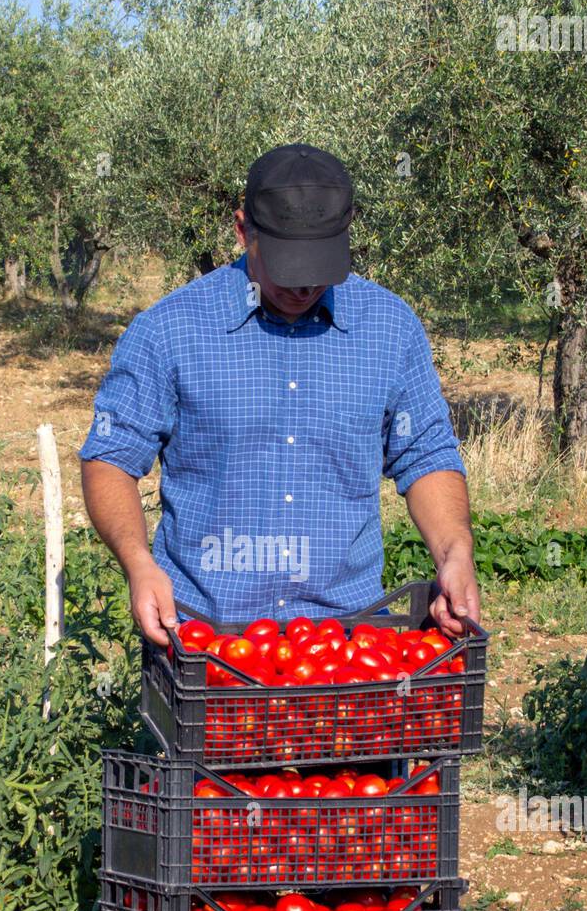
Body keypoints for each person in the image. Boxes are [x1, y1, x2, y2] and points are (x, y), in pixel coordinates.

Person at [80, 143, 480, 643]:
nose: (304, 286)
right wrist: (138, 564)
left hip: (346, 642)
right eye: (288, 266)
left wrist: (454, 551)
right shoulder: (169, 331)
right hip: (210, 645)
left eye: (320, 266)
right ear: (243, 229)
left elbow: (425, 454)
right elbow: (110, 458)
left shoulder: (390, 329)